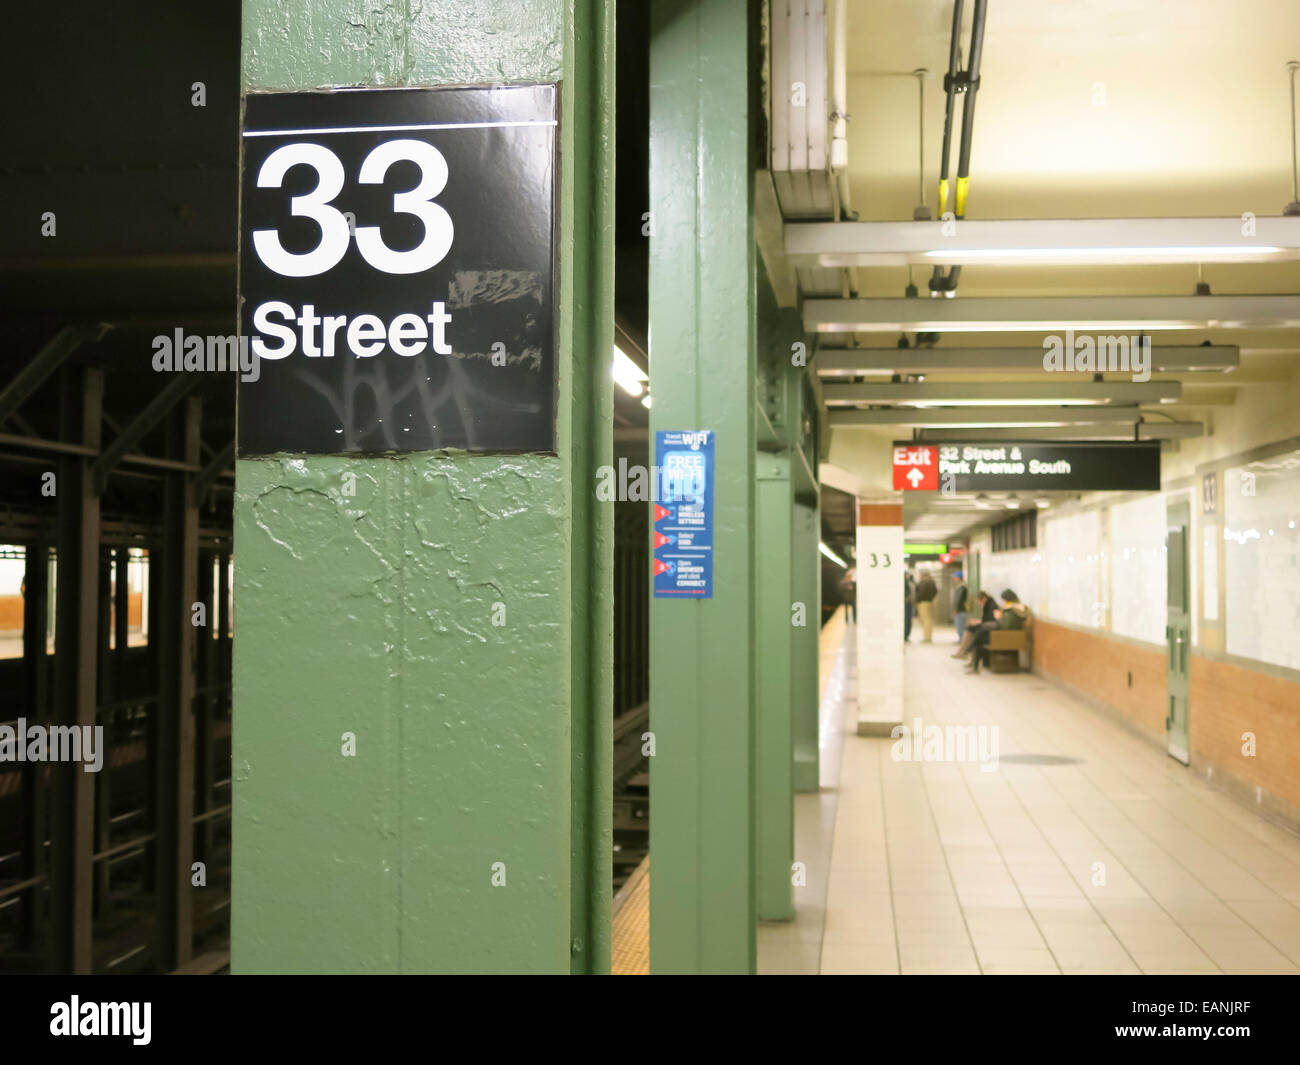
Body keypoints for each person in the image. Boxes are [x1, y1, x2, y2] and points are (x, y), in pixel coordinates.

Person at [967, 589, 1031, 674]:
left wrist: (999, 618)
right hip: (1009, 636)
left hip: (1005, 637)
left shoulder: (1011, 610)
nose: (1003, 602)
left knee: (979, 637)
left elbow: (1006, 626)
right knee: (980, 634)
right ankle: (970, 652)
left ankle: (970, 655)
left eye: (1004, 600)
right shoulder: (1017, 608)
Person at [952, 590, 996, 659]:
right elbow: (986, 619)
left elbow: (991, 619)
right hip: (986, 627)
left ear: (984, 599)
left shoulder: (991, 605)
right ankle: (963, 652)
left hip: (989, 631)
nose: (979, 604)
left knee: (971, 631)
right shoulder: (988, 604)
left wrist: (978, 622)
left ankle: (964, 652)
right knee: (969, 629)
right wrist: (977, 621)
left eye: (979, 601)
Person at [914, 570, 937, 642]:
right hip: (929, 602)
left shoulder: (924, 582)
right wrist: (931, 598)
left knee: (925, 620)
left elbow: (921, 593)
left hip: (923, 602)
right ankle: (928, 636)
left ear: (923, 575)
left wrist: (917, 600)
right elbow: (935, 591)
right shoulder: (931, 581)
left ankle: (926, 638)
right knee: (928, 620)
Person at [952, 571, 968, 642]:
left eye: (955, 577)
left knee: (960, 625)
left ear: (958, 578)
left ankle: (962, 640)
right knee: (960, 625)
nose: (954, 579)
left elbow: (959, 599)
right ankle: (961, 639)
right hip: (961, 609)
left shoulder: (961, 587)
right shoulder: (962, 586)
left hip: (961, 610)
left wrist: (957, 609)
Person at [903, 571, 915, 641]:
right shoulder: (909, 583)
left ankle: (906, 634)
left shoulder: (907, 583)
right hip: (909, 603)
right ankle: (906, 634)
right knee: (907, 620)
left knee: (907, 620)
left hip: (907, 604)